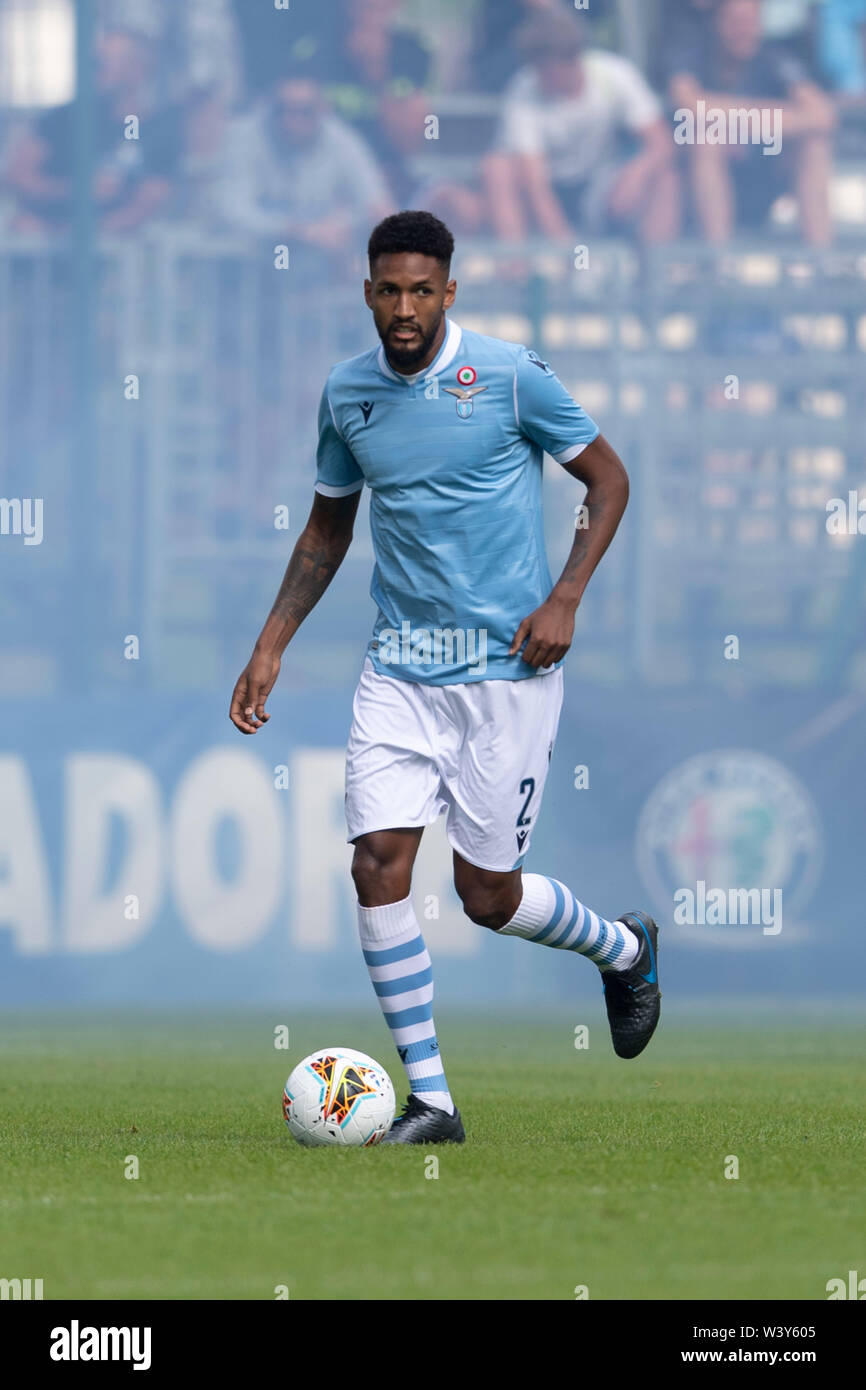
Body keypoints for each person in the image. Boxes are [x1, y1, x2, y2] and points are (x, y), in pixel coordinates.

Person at [229, 210, 662, 1145]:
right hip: (397, 671)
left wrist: (567, 598)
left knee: (487, 899)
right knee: (377, 864)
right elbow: (327, 530)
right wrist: (271, 643)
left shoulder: (510, 375)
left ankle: (626, 950)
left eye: (422, 290)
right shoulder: (348, 396)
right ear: (369, 292)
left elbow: (611, 480)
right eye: (388, 290)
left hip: (506, 672)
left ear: (449, 293)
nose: (405, 308)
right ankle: (434, 1101)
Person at [485, 9, 679, 244]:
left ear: (573, 58)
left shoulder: (615, 75)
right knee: (497, 167)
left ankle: (655, 270)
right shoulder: (523, 90)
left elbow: (662, 143)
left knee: (665, 177)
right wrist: (570, 253)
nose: (540, 77)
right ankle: (515, 267)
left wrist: (637, 172)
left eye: (547, 69)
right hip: (545, 192)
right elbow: (535, 184)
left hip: (599, 187)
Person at [669, 0, 837, 245]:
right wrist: (769, 119)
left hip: (765, 175)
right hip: (697, 186)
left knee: (814, 146)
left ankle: (821, 260)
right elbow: (688, 106)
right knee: (706, 140)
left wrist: (735, 120)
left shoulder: (775, 58)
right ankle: (719, 263)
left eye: (751, 22)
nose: (744, 30)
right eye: (736, 22)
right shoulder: (692, 53)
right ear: (717, 23)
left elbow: (823, 116)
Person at [4, 25, 181, 236]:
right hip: (43, 251)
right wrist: (75, 192)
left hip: (112, 259)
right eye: (98, 60)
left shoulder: (147, 128)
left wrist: (91, 235)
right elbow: (17, 175)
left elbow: (147, 201)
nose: (98, 67)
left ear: (139, 68)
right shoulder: (66, 117)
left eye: (110, 61)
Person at [211, 76, 392, 253]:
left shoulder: (344, 141)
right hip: (247, 257)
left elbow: (377, 207)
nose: (292, 121)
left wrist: (345, 224)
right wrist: (296, 231)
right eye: (283, 110)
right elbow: (231, 211)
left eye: (304, 111)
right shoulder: (243, 137)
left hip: (319, 261)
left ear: (323, 109)